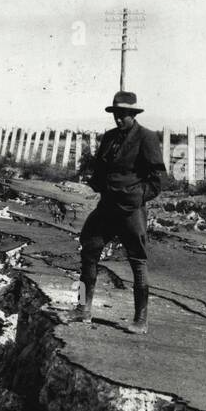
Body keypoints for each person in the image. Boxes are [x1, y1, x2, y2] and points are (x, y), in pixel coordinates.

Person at [76, 90, 166, 334]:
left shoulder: (146, 138)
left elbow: (157, 181)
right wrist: (95, 183)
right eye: (116, 114)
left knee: (137, 262)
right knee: (88, 251)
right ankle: (83, 307)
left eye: (124, 115)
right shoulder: (109, 138)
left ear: (133, 115)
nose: (119, 119)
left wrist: (136, 197)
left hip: (131, 212)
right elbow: (100, 172)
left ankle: (140, 320)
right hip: (106, 207)